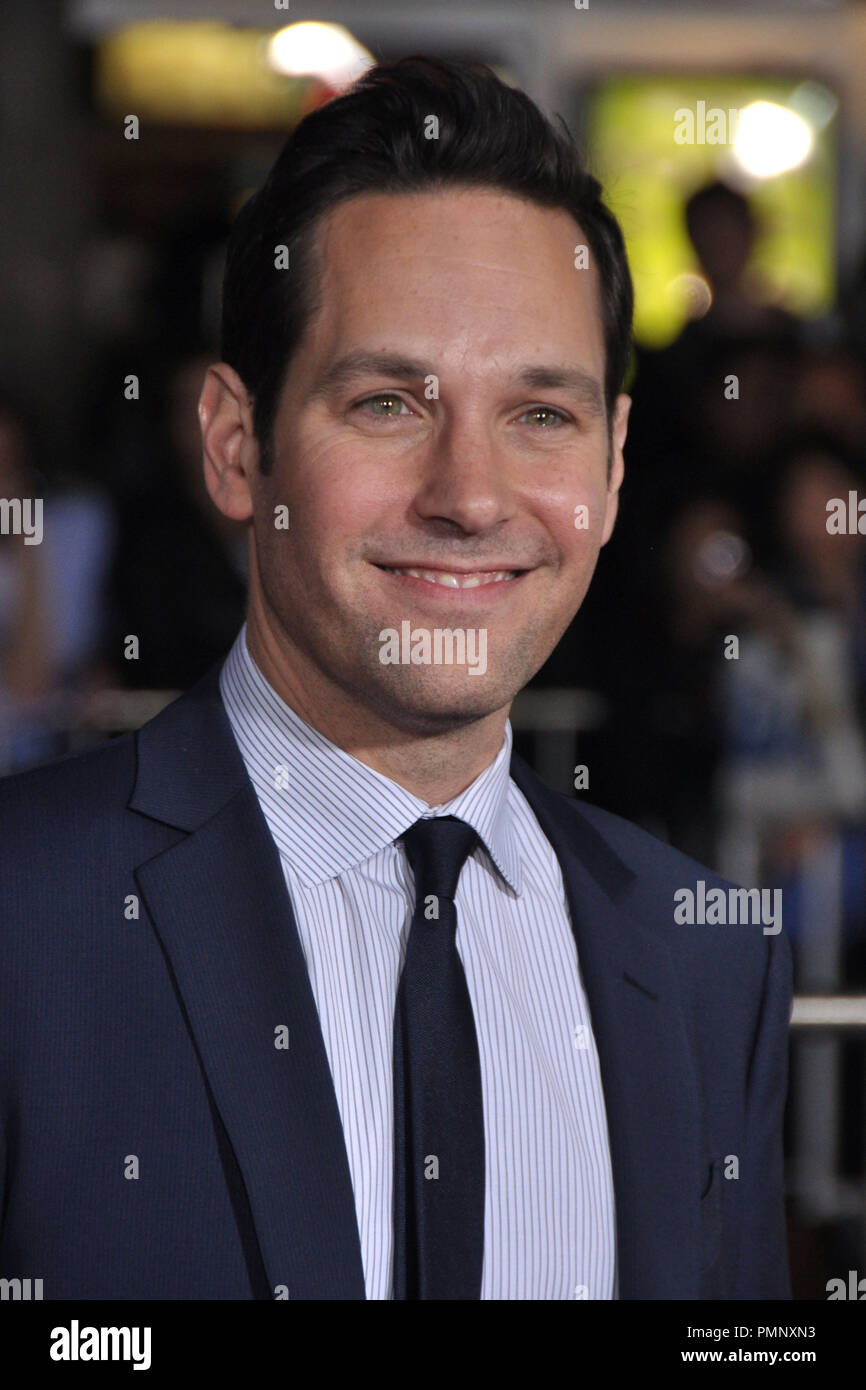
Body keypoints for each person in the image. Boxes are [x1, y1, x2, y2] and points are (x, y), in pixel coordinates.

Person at [0, 55, 791, 1301]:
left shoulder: (700, 961)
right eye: (384, 403)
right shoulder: (26, 921)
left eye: (540, 415)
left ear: (615, 460)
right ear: (234, 445)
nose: (469, 498)